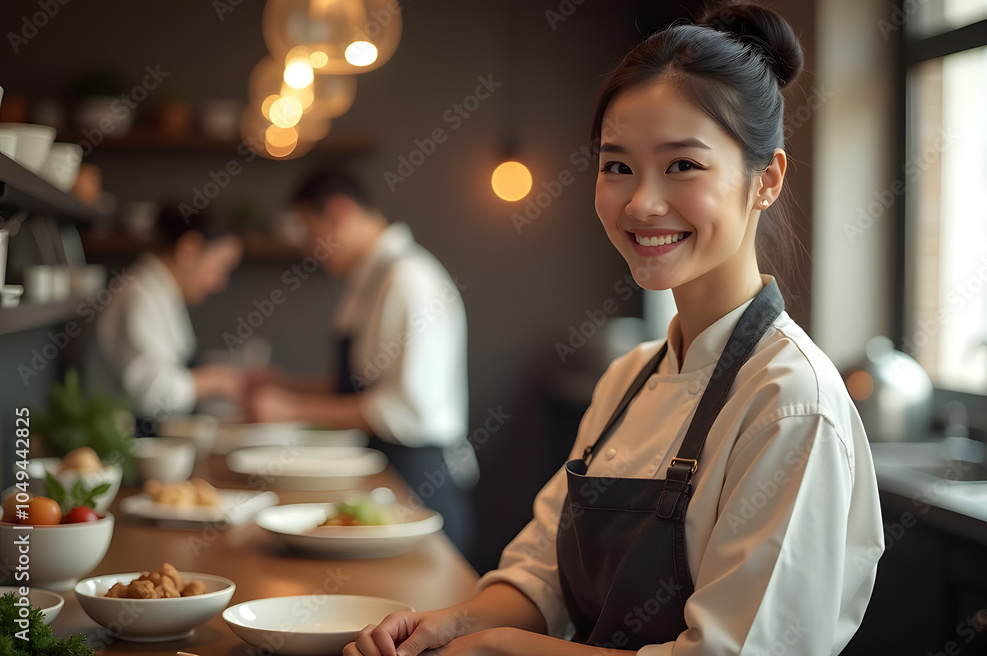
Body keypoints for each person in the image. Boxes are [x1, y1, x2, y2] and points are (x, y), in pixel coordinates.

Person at [345, 4, 884, 655]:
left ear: (765, 180)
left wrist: (499, 649)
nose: (641, 202)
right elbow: (542, 572)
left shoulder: (790, 405)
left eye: (683, 165)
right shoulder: (629, 378)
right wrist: (455, 622)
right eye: (617, 165)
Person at [246, 168, 476, 555]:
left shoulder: (409, 279)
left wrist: (293, 409)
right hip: (383, 473)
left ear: (338, 213)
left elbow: (404, 408)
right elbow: (356, 383)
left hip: (418, 479)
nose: (307, 246)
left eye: (308, 229)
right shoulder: (370, 279)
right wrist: (284, 384)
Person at [85, 204, 245, 435]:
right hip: (124, 442)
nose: (220, 282)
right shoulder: (138, 296)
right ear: (189, 249)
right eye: (221, 266)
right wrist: (212, 381)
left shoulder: (164, 293)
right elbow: (152, 395)